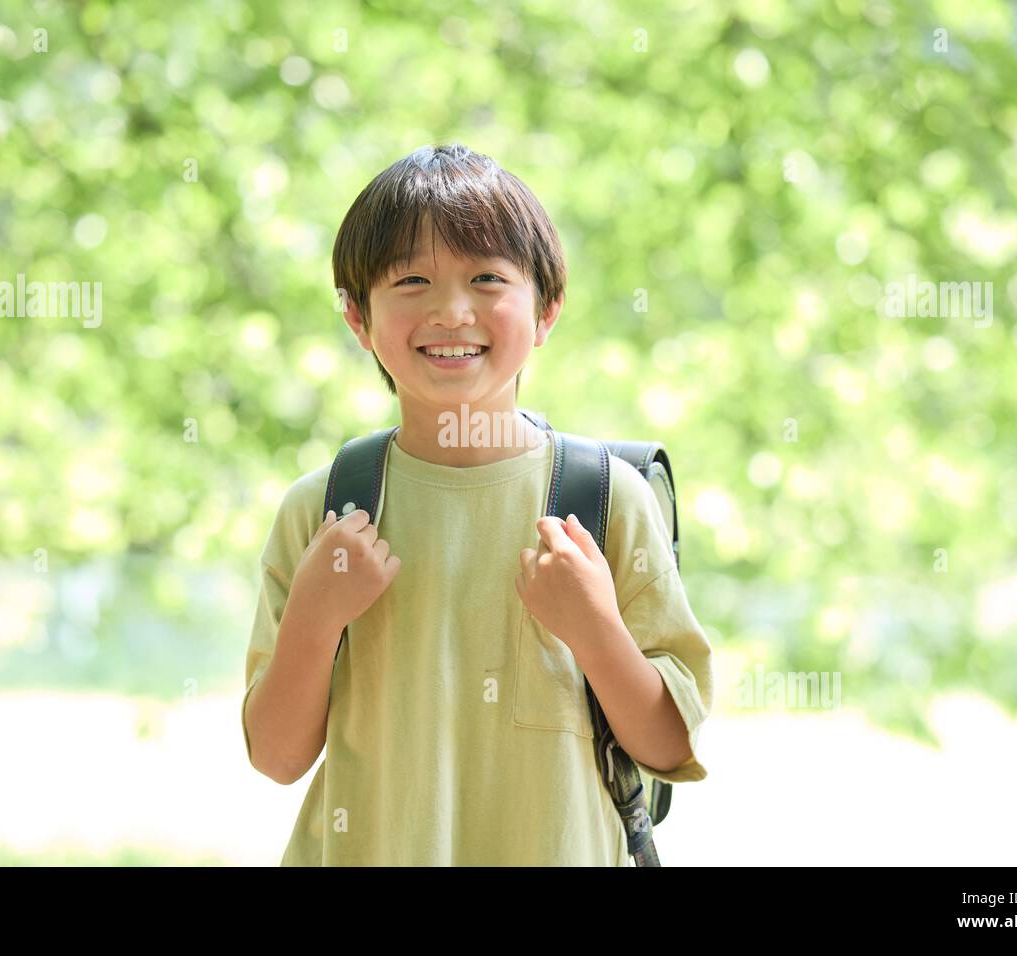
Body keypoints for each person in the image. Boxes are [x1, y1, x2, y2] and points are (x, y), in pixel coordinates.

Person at [241, 143, 713, 865]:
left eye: (487, 277)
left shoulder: (606, 501)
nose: (451, 310)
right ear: (357, 318)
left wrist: (593, 629)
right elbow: (276, 757)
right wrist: (314, 615)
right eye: (412, 280)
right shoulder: (326, 509)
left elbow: (669, 746)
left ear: (547, 309)